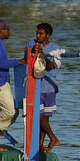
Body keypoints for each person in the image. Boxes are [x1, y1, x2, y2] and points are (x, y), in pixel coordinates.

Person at [0, 19, 29, 150]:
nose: (9, 32)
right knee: (11, 111)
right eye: (8, 29)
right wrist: (19, 62)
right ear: (1, 31)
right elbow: (0, 63)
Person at [26, 22, 63, 152]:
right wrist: (33, 53)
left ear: (48, 35)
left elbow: (53, 66)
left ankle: (40, 145)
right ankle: (53, 138)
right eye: (37, 33)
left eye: (41, 33)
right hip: (35, 87)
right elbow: (26, 60)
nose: (38, 36)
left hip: (49, 86)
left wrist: (43, 55)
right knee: (39, 116)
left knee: (45, 118)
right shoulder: (31, 43)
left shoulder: (55, 48)